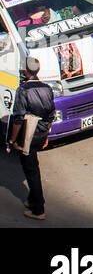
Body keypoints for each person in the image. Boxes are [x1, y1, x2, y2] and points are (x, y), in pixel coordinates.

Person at [7, 55, 55, 219]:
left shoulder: (23, 90)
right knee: (32, 165)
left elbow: (18, 118)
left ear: (26, 71)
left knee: (31, 169)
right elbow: (51, 115)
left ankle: (38, 209)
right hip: (41, 133)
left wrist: (12, 140)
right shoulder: (47, 88)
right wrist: (47, 134)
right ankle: (32, 199)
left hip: (27, 135)